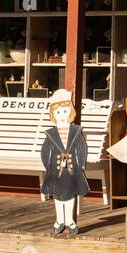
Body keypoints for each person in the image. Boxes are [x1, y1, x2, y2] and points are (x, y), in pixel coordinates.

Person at [40, 89, 88, 236]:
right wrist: (48, 166)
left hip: (72, 170)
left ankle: (69, 220)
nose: (62, 115)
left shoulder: (75, 131)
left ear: (71, 112)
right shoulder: (51, 134)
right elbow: (44, 151)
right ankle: (59, 219)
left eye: (65, 111)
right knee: (57, 195)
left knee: (70, 194)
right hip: (56, 170)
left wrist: (81, 164)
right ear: (53, 115)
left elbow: (82, 148)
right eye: (58, 112)